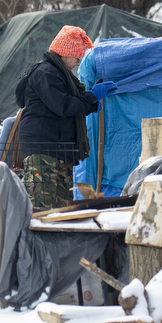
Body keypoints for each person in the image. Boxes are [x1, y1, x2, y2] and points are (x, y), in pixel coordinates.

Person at [14, 25, 116, 209]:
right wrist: (91, 96)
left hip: (61, 150)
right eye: (77, 58)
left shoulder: (60, 76)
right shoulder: (45, 73)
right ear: (65, 53)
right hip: (42, 150)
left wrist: (90, 104)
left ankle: (58, 238)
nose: (78, 63)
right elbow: (63, 106)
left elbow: (65, 107)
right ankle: (35, 238)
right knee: (41, 207)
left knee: (62, 209)